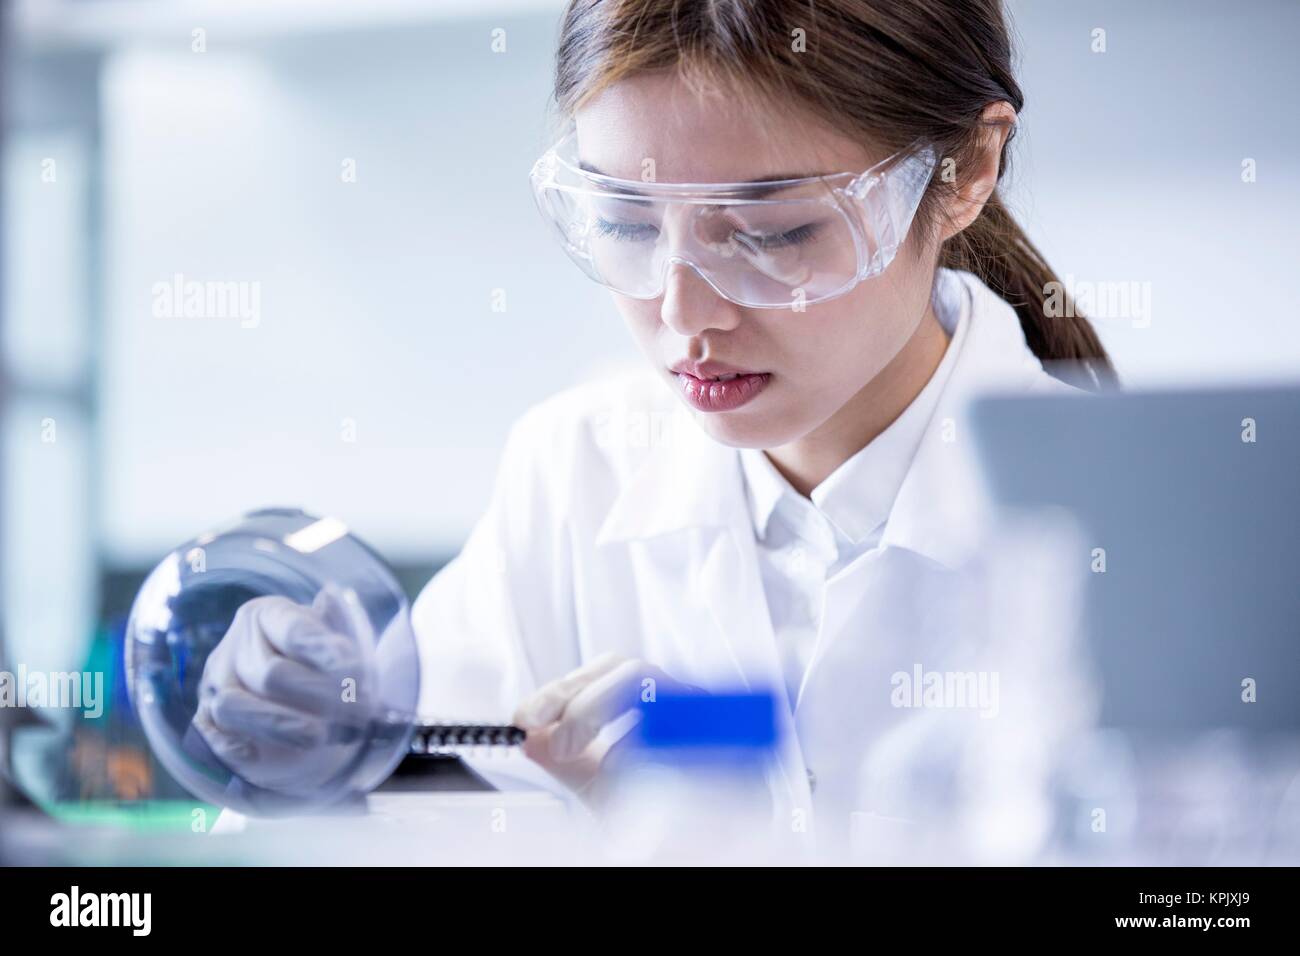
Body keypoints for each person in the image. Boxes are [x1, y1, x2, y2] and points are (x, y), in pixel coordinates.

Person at [198, 0, 1114, 845]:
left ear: (967, 171)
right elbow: (412, 802)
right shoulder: (576, 468)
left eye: (772, 232)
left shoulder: (1124, 519)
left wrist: (705, 833)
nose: (685, 315)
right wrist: (317, 732)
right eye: (629, 223)